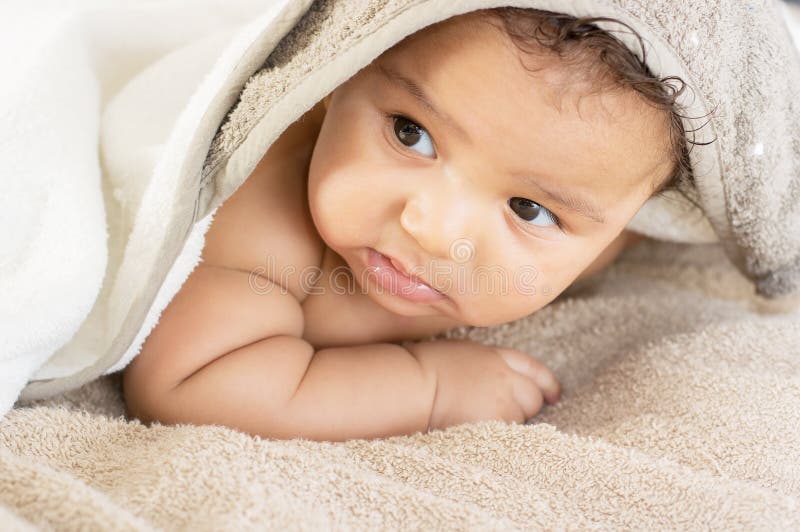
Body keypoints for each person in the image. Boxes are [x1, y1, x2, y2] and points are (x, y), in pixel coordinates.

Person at [122, 8, 690, 442]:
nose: (435, 230)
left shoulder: (599, 226)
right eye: (410, 134)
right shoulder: (263, 229)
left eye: (528, 210)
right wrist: (428, 386)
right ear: (338, 77)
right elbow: (188, 385)